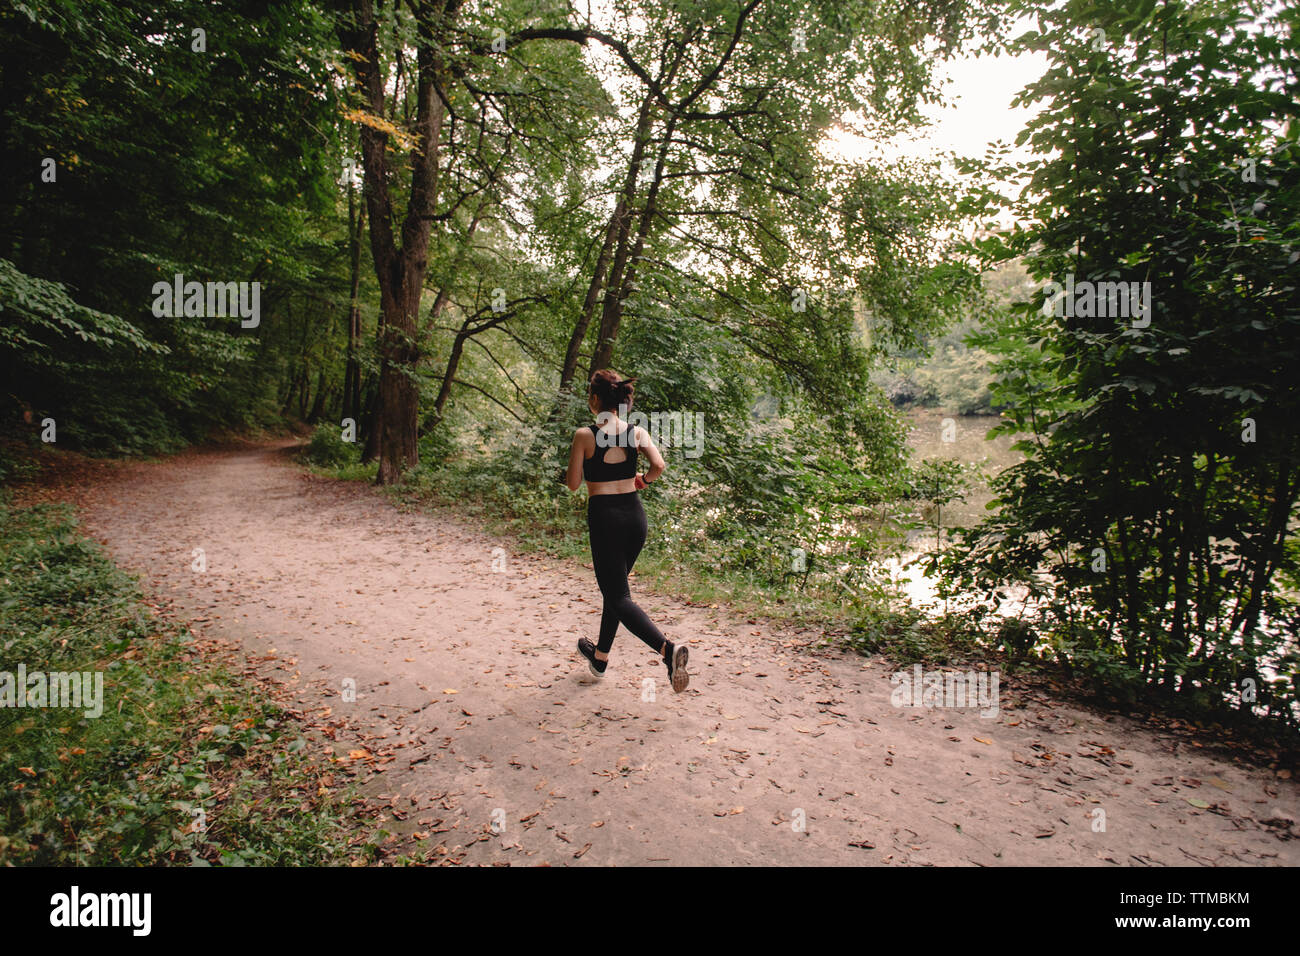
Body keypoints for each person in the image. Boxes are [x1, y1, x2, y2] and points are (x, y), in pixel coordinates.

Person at [562, 370, 689, 692]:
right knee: (615, 591)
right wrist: (643, 481)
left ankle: (667, 649)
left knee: (618, 594)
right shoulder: (637, 433)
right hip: (635, 518)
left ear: (594, 399)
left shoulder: (584, 435)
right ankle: (600, 657)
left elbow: (574, 484)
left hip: (605, 518)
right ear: (621, 401)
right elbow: (658, 466)